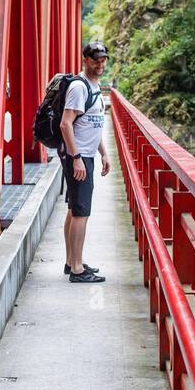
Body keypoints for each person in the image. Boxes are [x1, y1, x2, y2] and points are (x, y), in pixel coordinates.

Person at [59, 42, 111, 283]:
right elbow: (65, 123)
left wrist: (104, 153)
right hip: (79, 157)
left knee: (74, 210)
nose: (100, 64)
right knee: (81, 212)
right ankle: (78, 269)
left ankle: (72, 262)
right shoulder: (79, 87)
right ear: (85, 60)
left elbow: (94, 123)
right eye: (95, 60)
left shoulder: (94, 85)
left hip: (87, 155)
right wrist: (77, 158)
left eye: (103, 60)